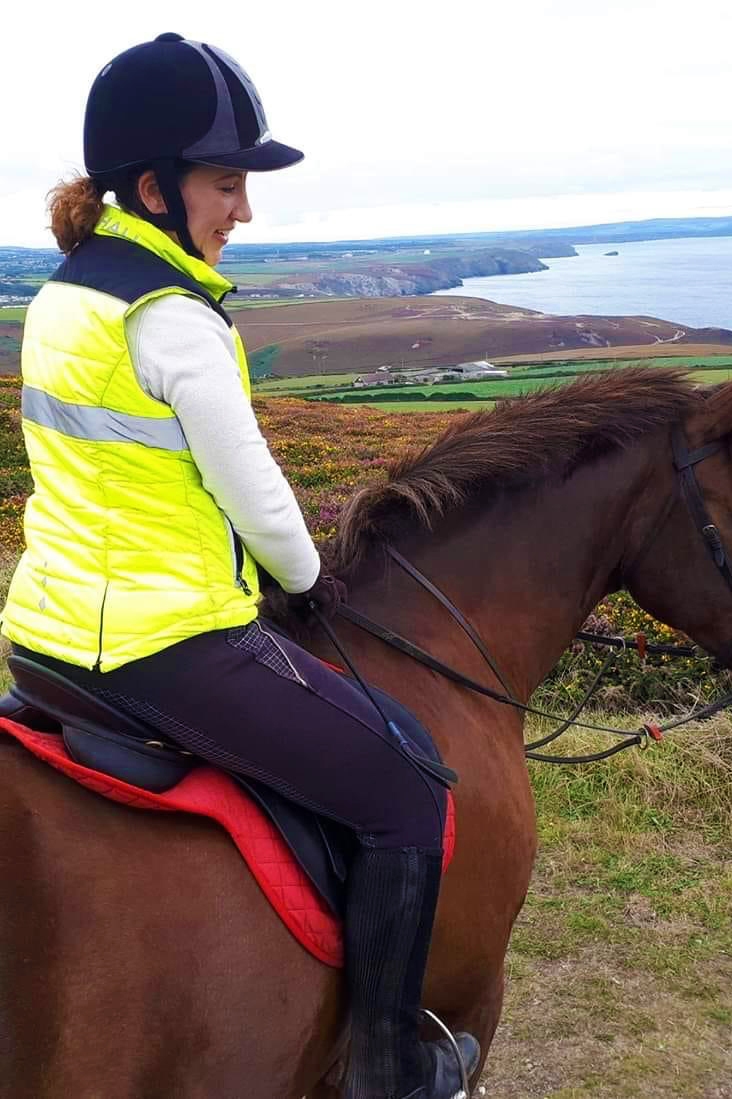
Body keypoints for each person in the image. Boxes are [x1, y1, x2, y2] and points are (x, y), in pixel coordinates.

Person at [0, 33, 478, 1099]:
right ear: (155, 187)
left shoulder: (71, 294)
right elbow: (256, 493)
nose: (245, 212)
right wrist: (311, 582)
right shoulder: (174, 319)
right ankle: (391, 1064)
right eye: (228, 184)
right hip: (162, 643)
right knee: (405, 784)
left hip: (47, 635)